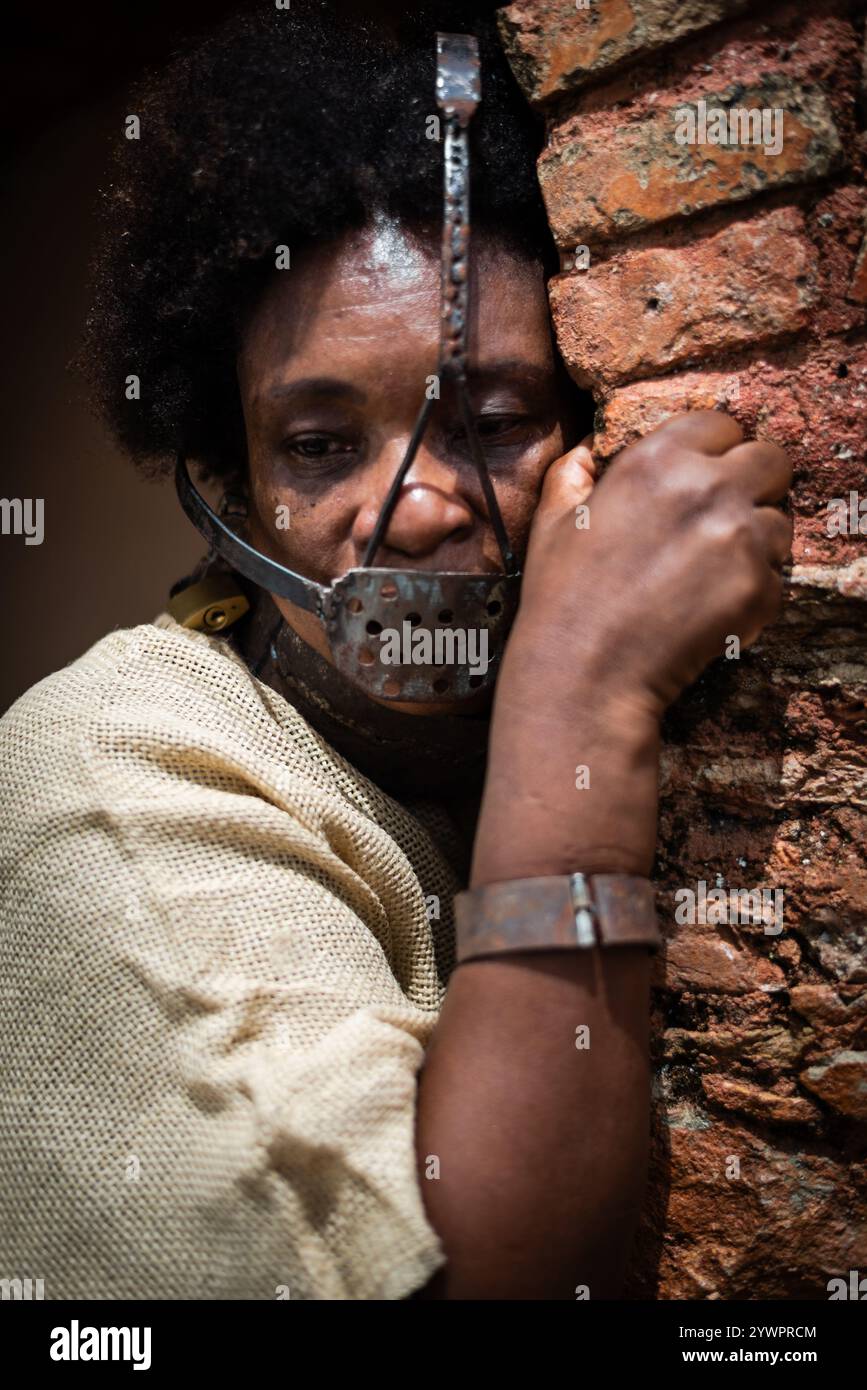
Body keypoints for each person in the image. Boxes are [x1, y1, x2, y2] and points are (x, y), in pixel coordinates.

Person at [0, 1, 791, 1300]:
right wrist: (578, 704)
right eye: (318, 445)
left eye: (488, 418)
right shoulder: (98, 778)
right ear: (233, 491)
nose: (416, 506)